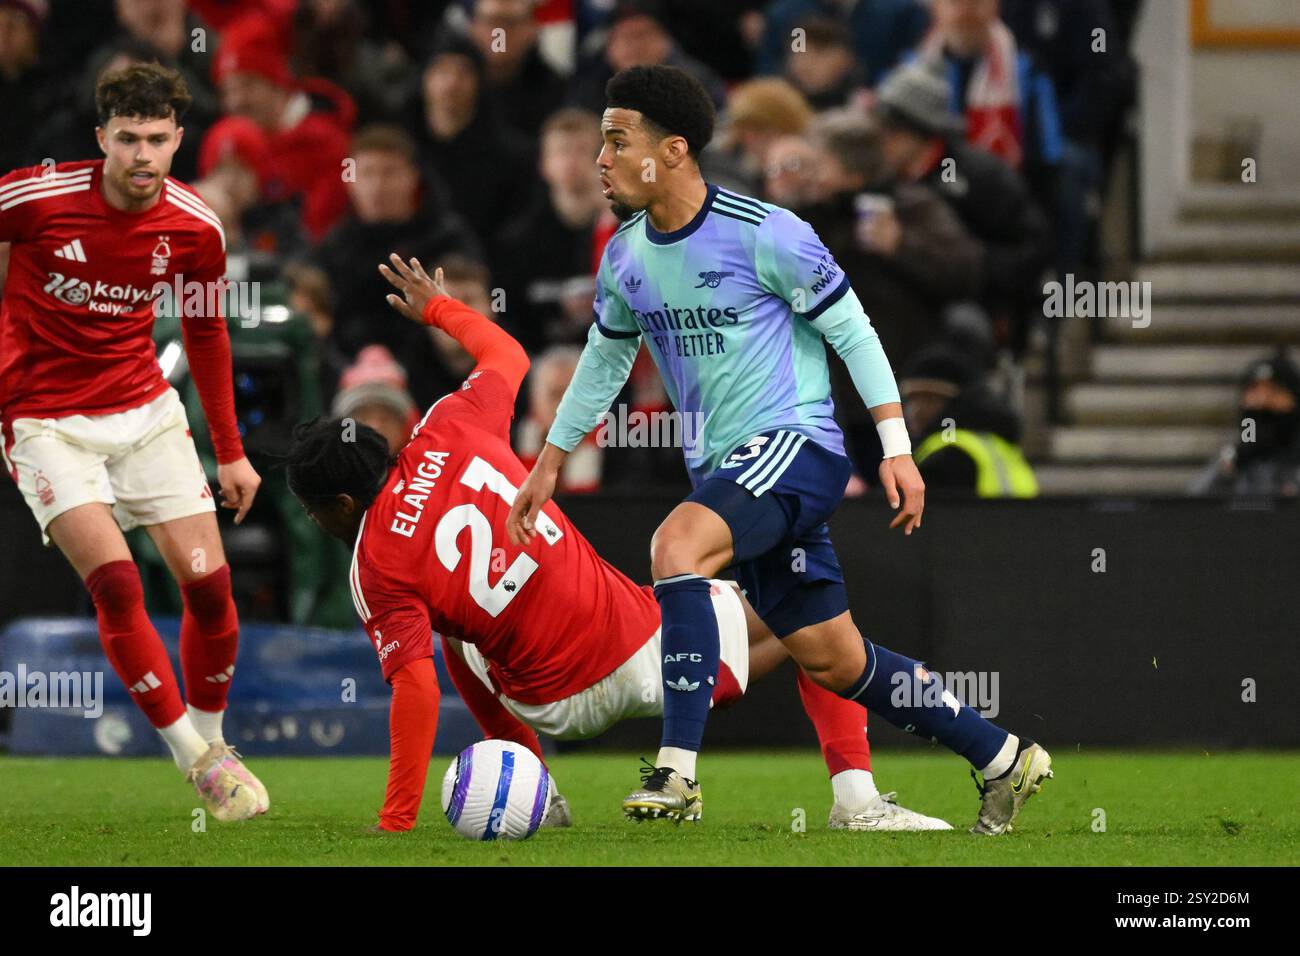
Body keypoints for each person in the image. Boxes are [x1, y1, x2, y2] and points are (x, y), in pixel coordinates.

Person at [507, 65, 1052, 834]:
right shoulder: (626, 255)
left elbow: (853, 332)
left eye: (615, 139)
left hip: (794, 446)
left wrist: (896, 447)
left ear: (672, 151)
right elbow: (603, 361)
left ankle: (677, 773)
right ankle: (1002, 757)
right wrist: (550, 461)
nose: (600, 158)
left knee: (675, 545)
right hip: (730, 468)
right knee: (834, 656)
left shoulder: (766, 231)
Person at [283, 256, 952, 833]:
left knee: (455, 632)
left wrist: (396, 822)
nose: (315, 523)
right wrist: (442, 310)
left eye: (313, 512)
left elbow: (416, 692)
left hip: (545, 700)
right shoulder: (448, 425)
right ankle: (858, 795)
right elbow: (509, 356)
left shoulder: (374, 566)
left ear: (339, 506)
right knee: (814, 620)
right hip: (633, 650)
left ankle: (537, 787)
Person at [0, 62, 267, 820]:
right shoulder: (36, 197)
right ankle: (192, 757)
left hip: (145, 413)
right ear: (101, 139)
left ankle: (215, 745)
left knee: (210, 593)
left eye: (157, 138)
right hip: (45, 420)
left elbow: (208, 331)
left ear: (179, 139)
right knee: (117, 584)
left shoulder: (195, 226)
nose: (142, 155)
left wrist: (230, 449)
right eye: (127, 139)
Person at [900, 345, 1038, 497]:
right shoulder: (999, 447)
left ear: (956, 402)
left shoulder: (946, 459)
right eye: (910, 400)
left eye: (926, 399)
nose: (913, 411)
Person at [1190, 351, 1300, 498]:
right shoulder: (1233, 457)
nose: (1262, 401)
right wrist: (1229, 467)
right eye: (1254, 390)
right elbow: (1193, 504)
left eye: (1274, 391)